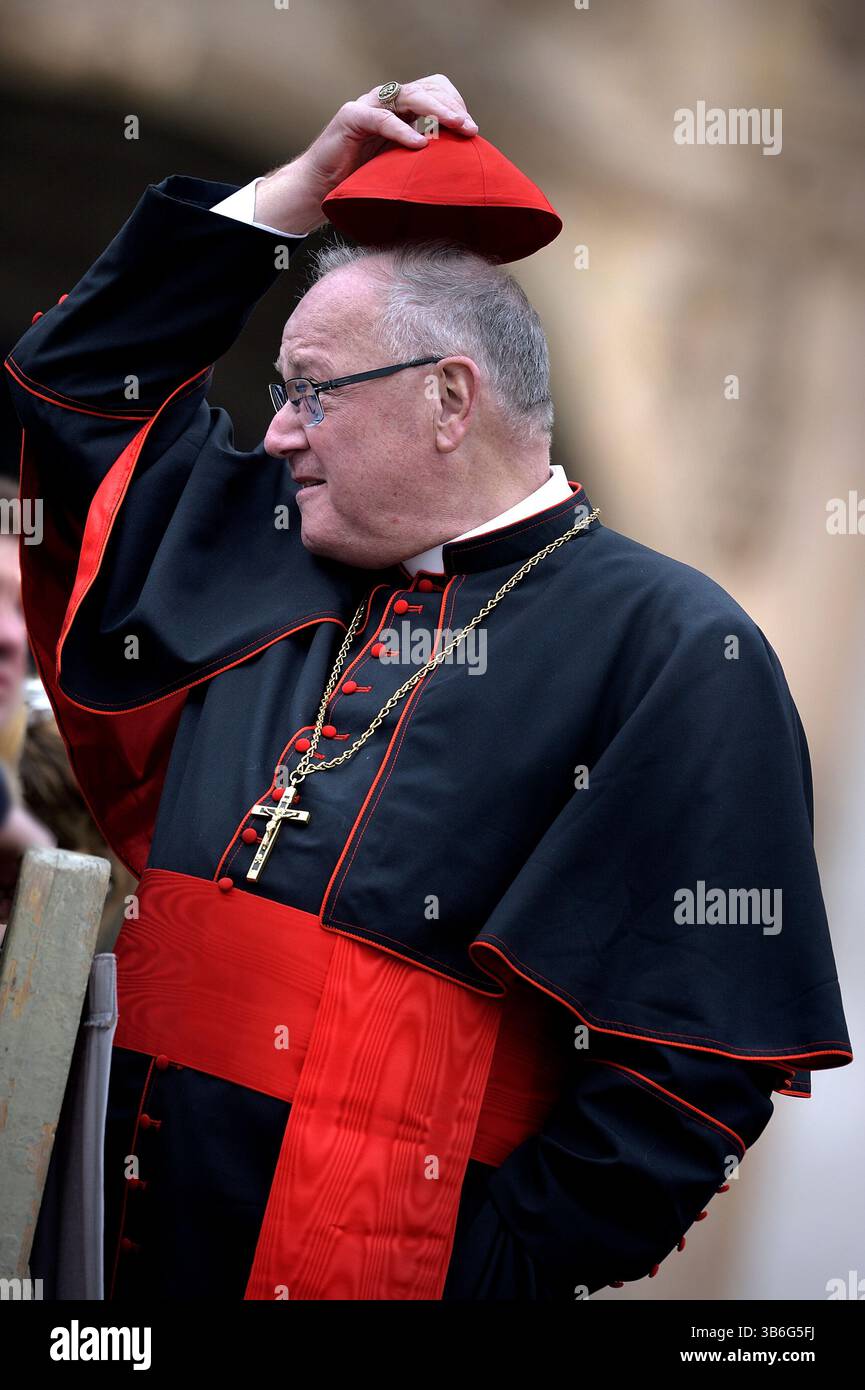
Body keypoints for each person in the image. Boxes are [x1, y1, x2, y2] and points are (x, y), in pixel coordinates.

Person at [6, 74, 852, 1301]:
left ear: (448, 398)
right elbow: (73, 385)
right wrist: (291, 198)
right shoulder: (268, 542)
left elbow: (686, 1068)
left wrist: (478, 1271)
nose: (278, 430)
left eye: (309, 390)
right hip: (101, 1246)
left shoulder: (673, 646)